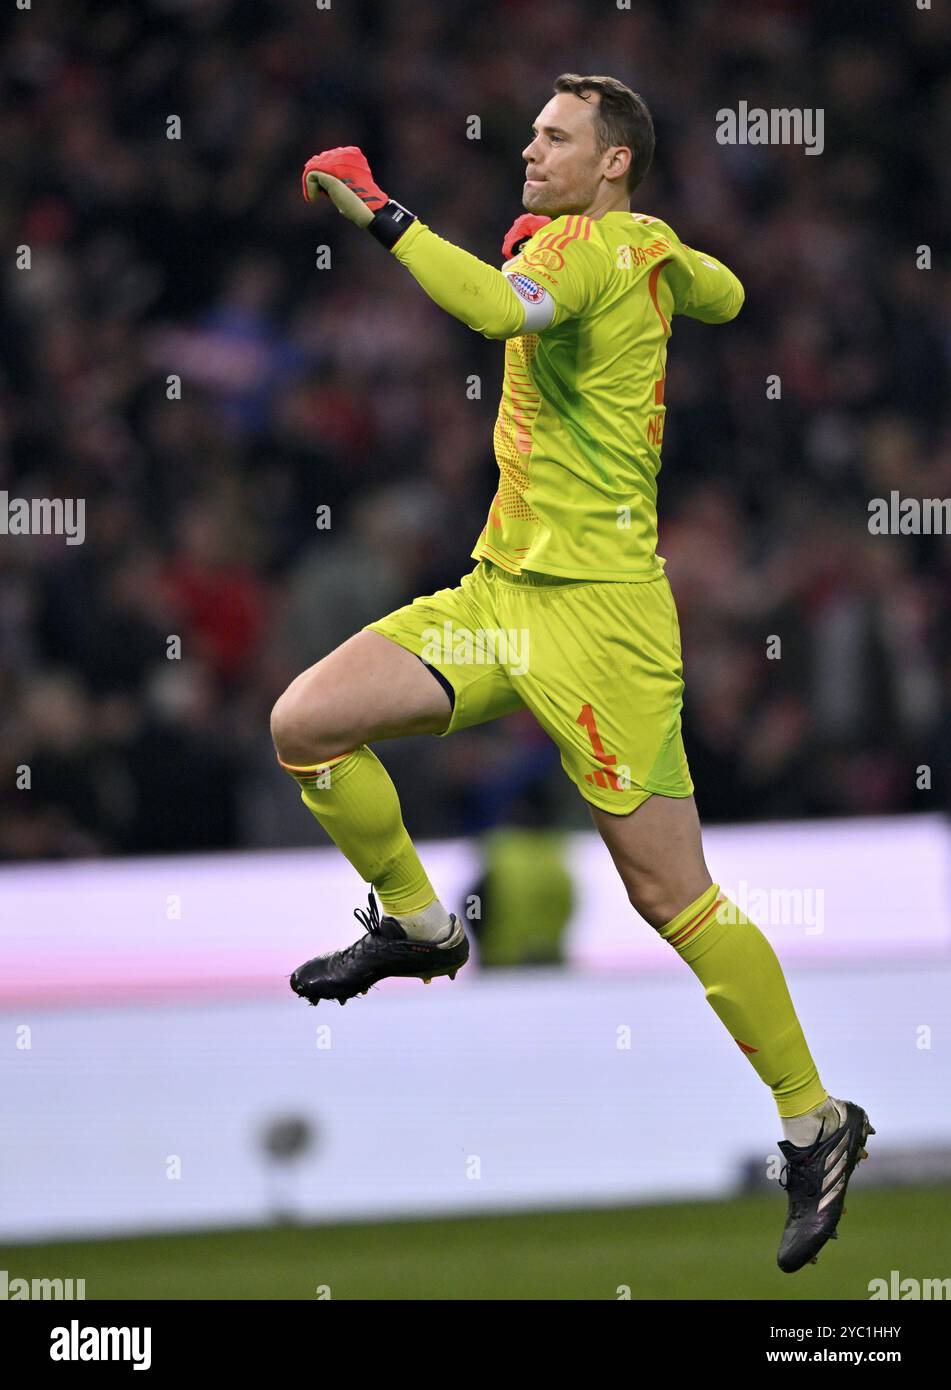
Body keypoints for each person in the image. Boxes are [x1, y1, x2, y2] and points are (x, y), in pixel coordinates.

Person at [270, 73, 872, 1272]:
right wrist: (667, 260)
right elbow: (729, 289)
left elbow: (497, 311)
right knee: (308, 722)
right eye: (534, 134)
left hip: (604, 624)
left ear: (613, 162)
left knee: (672, 899)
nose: (530, 151)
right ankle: (424, 926)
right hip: (499, 596)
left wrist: (381, 213)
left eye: (557, 139)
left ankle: (817, 1120)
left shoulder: (587, 248)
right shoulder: (635, 246)